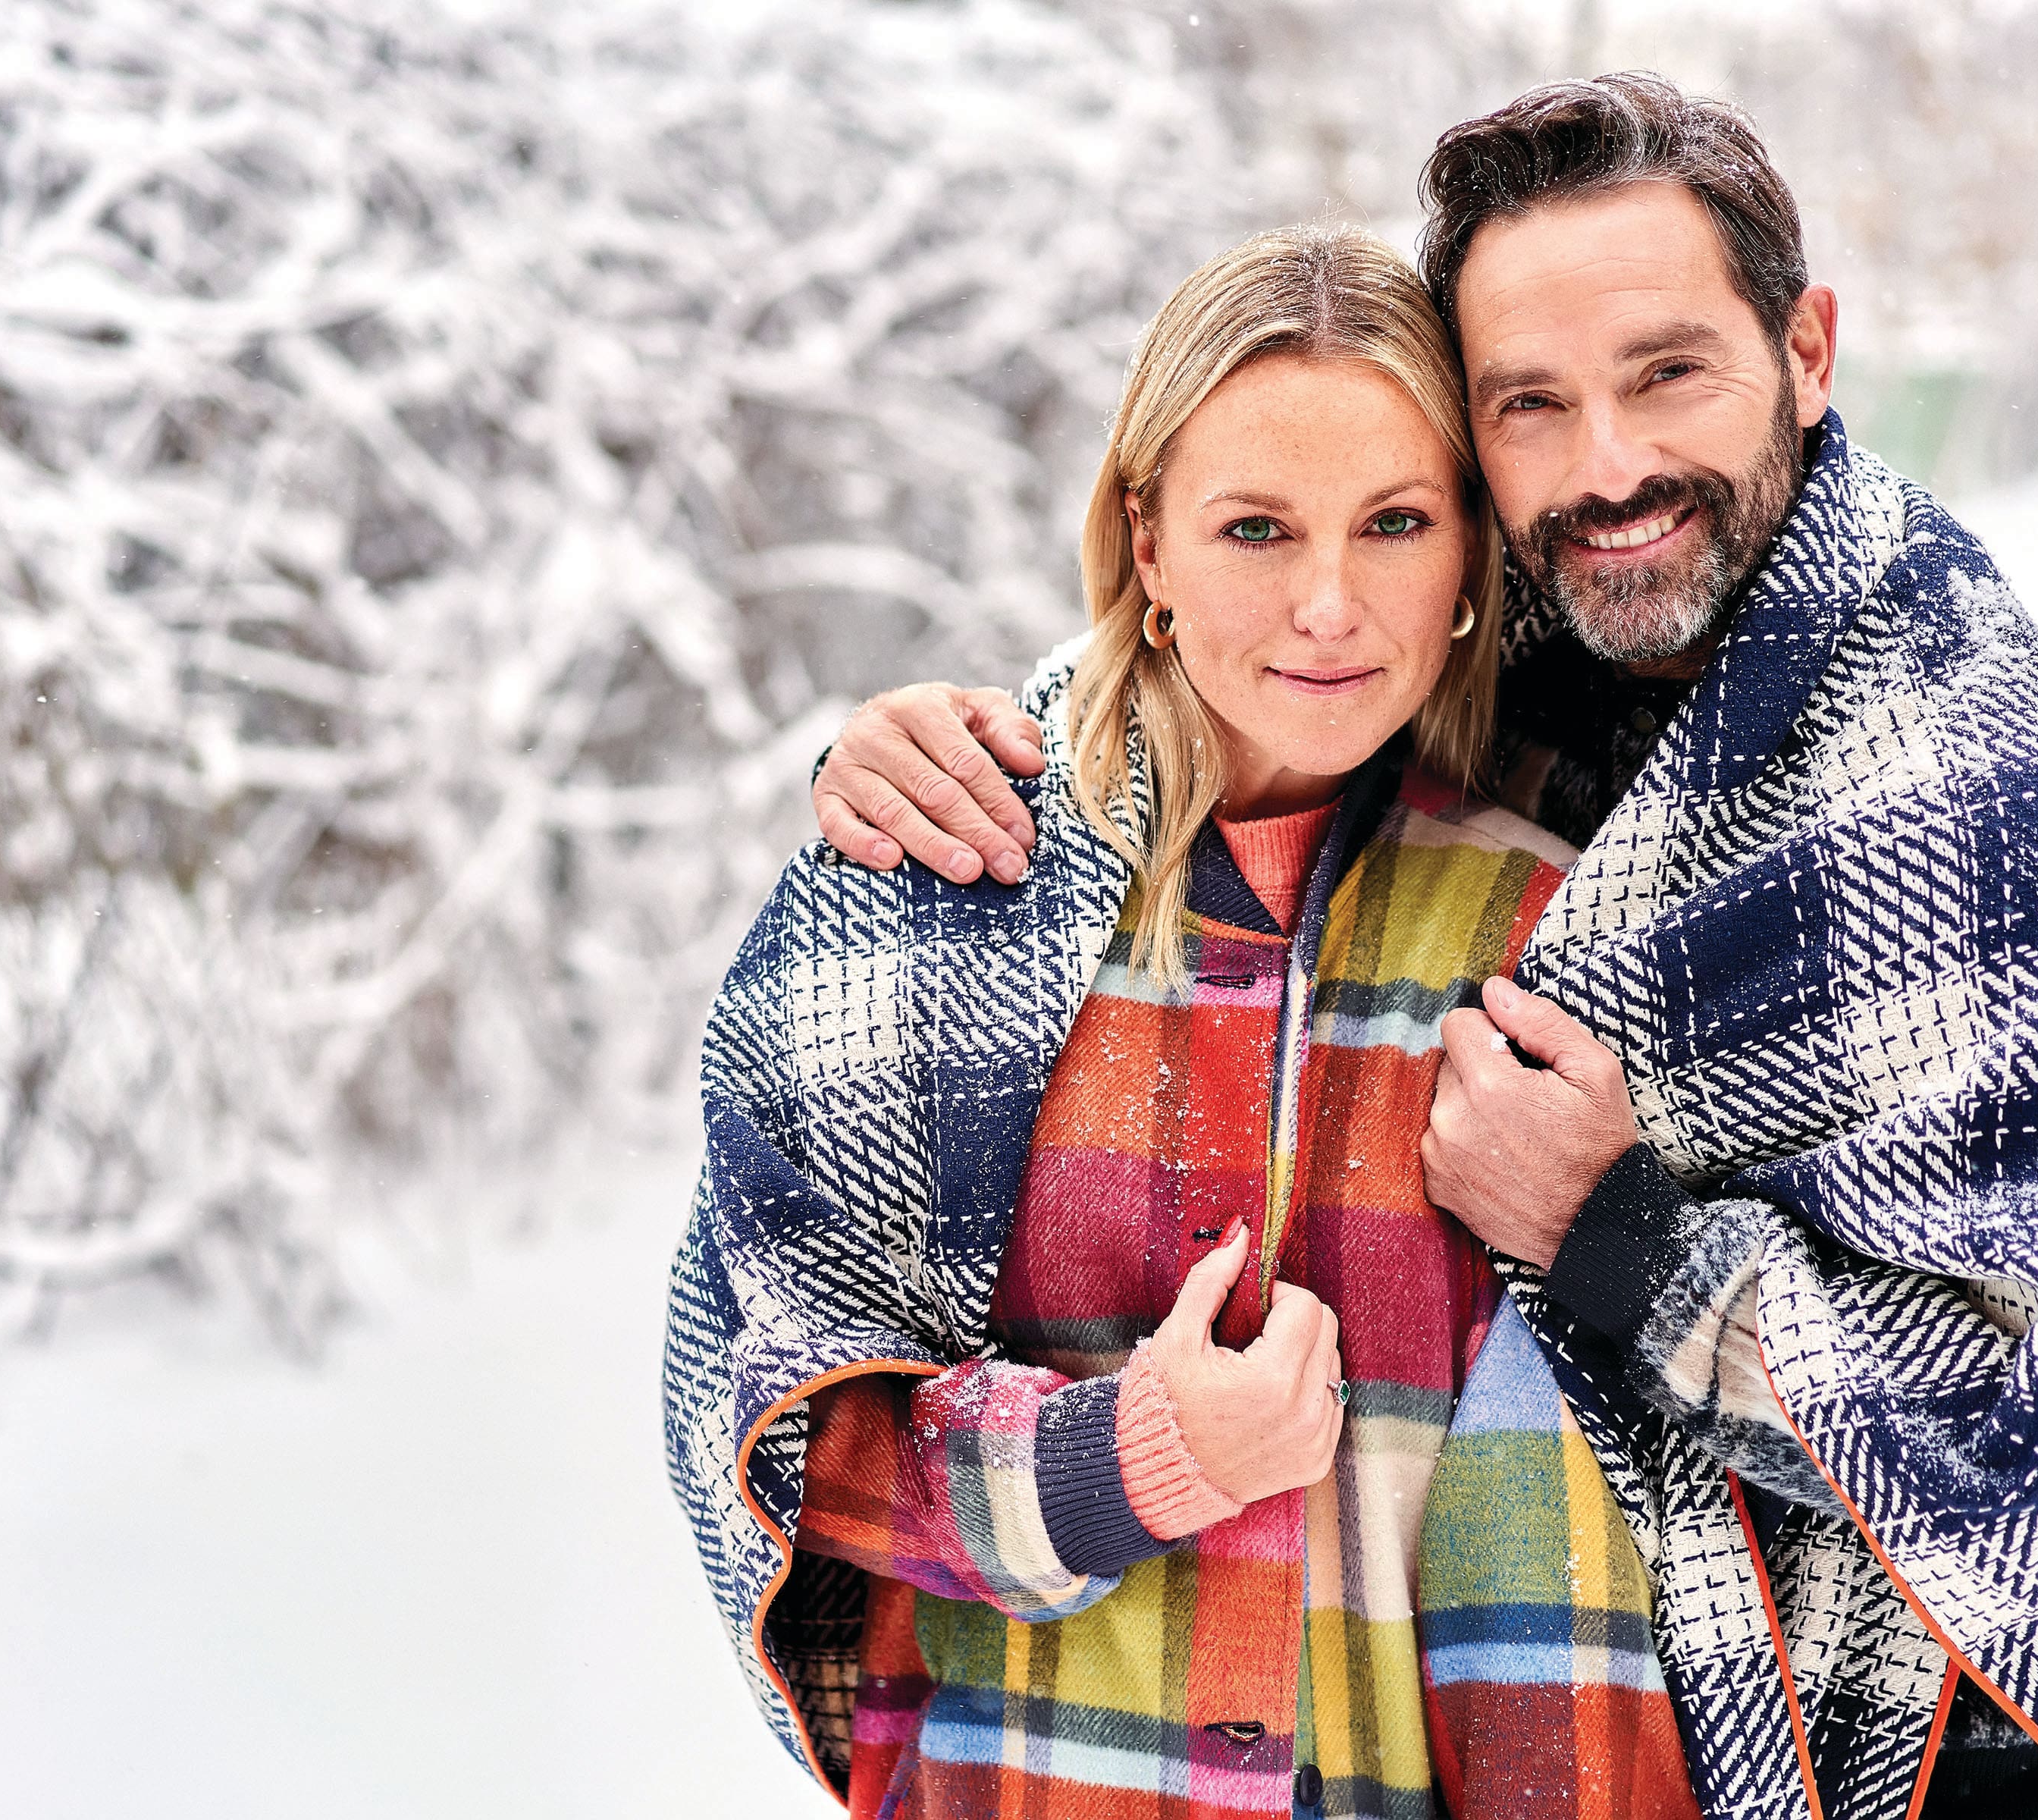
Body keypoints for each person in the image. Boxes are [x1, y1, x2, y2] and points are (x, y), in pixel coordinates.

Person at [803, 73, 2038, 1820]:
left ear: (1809, 351)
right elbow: (1267, 627)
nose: (1607, 471)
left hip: (1995, 1752)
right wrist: (930, 748)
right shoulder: (1531, 637)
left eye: (1669, 372)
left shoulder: (1986, 798)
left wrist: (1615, 1238)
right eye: (1530, 404)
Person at [663, 224, 1701, 1820]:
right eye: (1256, 529)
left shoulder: (1557, 938)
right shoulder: (941, 880)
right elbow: (785, 1437)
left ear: (1474, 560)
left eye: (1397, 522)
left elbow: (1612, 1553)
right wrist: (1122, 1462)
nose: (1331, 606)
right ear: (1147, 542)